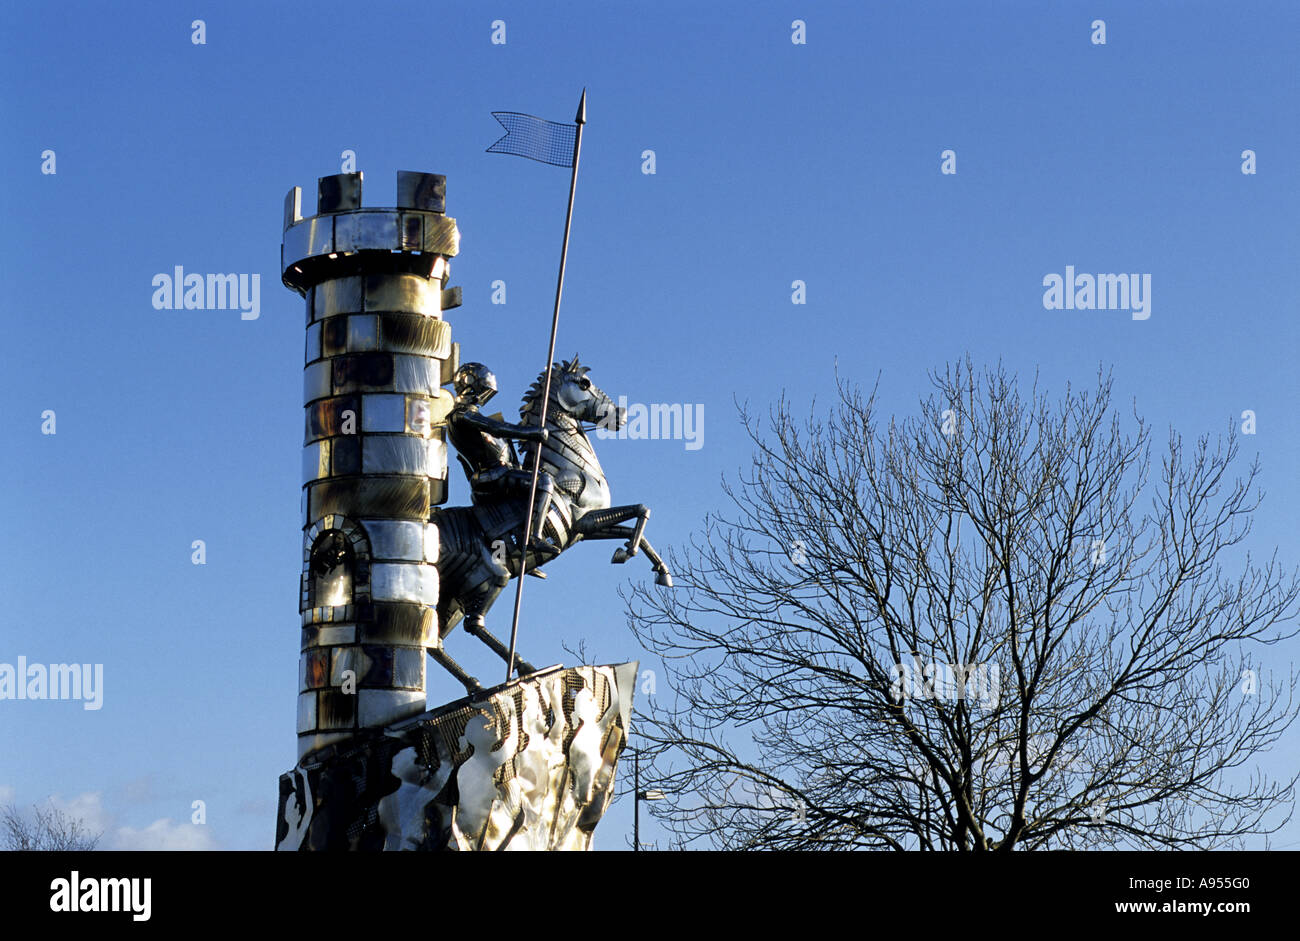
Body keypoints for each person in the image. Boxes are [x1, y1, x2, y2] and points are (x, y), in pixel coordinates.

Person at [447, 362, 559, 558]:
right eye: (483, 389)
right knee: (543, 482)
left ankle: (513, 546)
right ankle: (533, 537)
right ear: (473, 386)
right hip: (491, 475)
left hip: (495, 473)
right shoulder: (463, 414)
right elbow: (496, 428)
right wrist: (532, 432)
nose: (484, 395)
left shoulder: (467, 414)